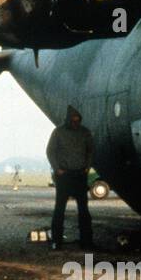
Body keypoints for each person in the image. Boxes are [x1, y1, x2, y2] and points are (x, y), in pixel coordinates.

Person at [46, 105, 94, 250]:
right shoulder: (58, 132)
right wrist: (57, 169)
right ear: (67, 120)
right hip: (64, 176)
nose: (75, 123)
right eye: (73, 120)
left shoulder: (85, 132)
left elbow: (90, 151)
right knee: (59, 209)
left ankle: (86, 241)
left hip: (80, 175)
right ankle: (57, 241)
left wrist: (87, 167)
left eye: (77, 120)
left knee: (83, 210)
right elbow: (50, 151)